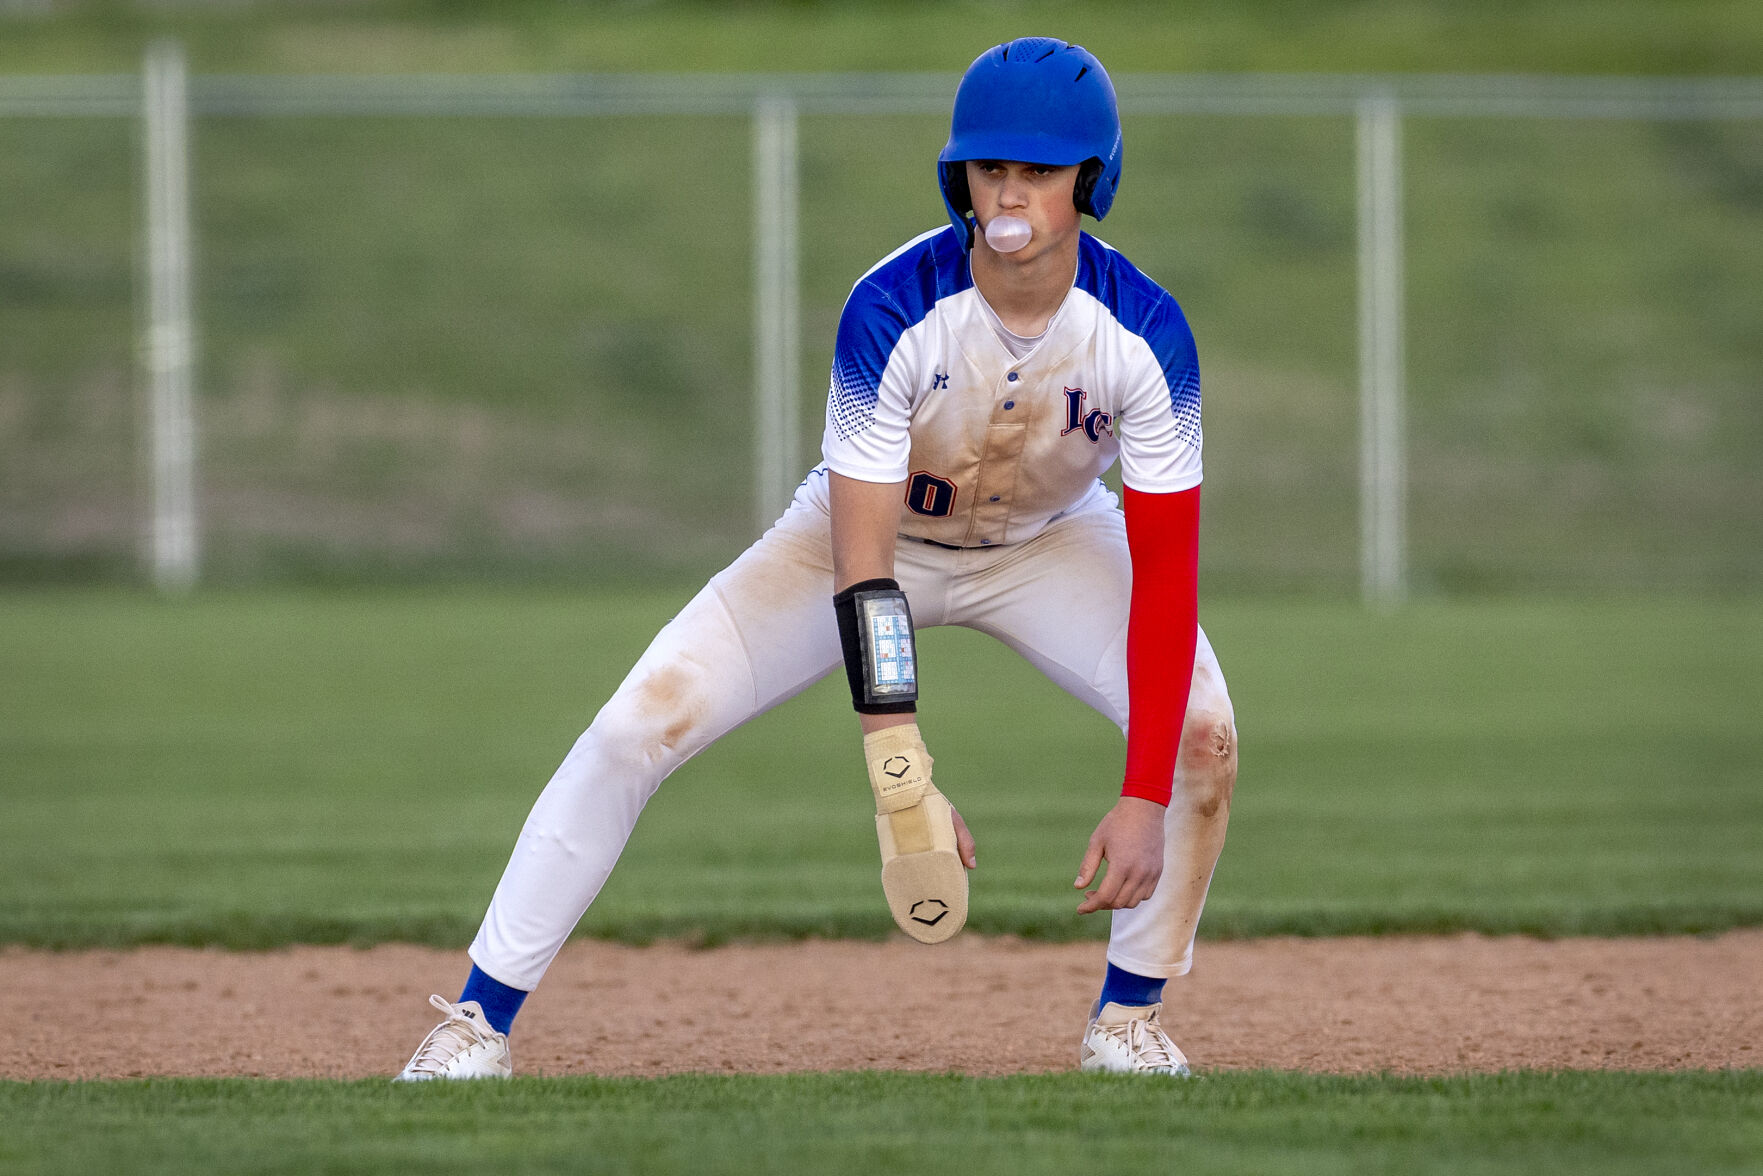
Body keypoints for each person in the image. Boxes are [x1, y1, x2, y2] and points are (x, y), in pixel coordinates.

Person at [396, 36, 1238, 1082]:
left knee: (1201, 736)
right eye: (987, 168)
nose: (1007, 191)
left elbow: (1163, 579)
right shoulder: (889, 309)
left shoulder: (1145, 337)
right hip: (864, 541)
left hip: (1048, 542)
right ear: (957, 178)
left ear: (1090, 182)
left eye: (1037, 169)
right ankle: (476, 1024)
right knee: (634, 725)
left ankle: (1126, 1022)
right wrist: (900, 771)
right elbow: (863, 560)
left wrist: (1143, 797)